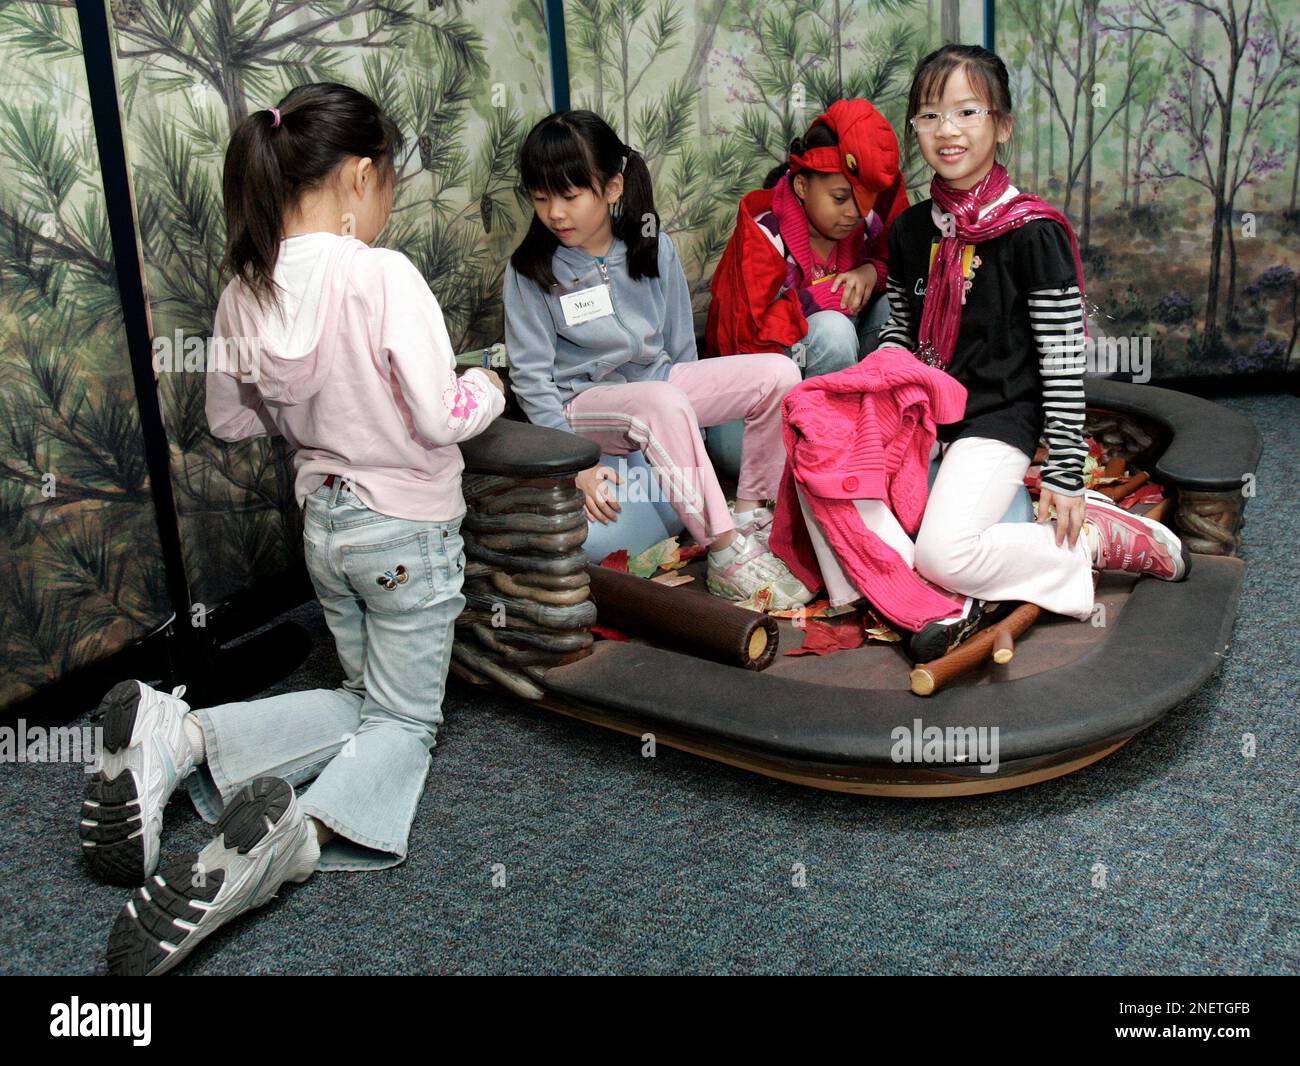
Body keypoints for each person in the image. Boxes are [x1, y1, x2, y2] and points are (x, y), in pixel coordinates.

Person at [78, 82, 505, 976]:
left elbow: (231, 421)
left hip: (327, 532)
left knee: (361, 696)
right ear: (359, 176)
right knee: (402, 724)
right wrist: (487, 389)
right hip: (405, 533)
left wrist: (317, 417)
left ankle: (181, 736)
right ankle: (293, 842)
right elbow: (436, 416)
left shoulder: (248, 285)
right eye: (388, 181)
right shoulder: (382, 275)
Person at [778, 44, 1189, 661]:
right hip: (923, 411)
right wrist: (868, 401)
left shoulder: (1033, 233)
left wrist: (1066, 473)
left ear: (1002, 124)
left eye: (967, 112)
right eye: (929, 114)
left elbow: (1061, 360)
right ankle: (928, 600)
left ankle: (1089, 541)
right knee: (821, 452)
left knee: (945, 553)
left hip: (996, 418)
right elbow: (901, 335)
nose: (946, 130)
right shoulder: (911, 232)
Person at [502, 110, 813, 609]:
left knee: (778, 372)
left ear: (612, 188)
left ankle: (752, 515)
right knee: (662, 400)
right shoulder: (530, 271)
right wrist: (572, 467)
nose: (554, 213)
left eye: (569, 196)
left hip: (657, 385)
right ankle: (727, 552)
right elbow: (532, 379)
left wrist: (690, 434)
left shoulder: (653, 247)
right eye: (541, 198)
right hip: (581, 406)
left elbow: (679, 348)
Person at [705, 99, 908, 377]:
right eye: (839, 198)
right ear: (801, 186)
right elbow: (744, 336)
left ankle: (877, 409)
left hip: (849, 353)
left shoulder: (865, 222)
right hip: (765, 372)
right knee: (834, 331)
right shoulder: (766, 238)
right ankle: (823, 419)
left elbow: (903, 263)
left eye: (864, 199)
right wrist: (820, 299)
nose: (854, 212)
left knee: (894, 306)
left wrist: (873, 271)